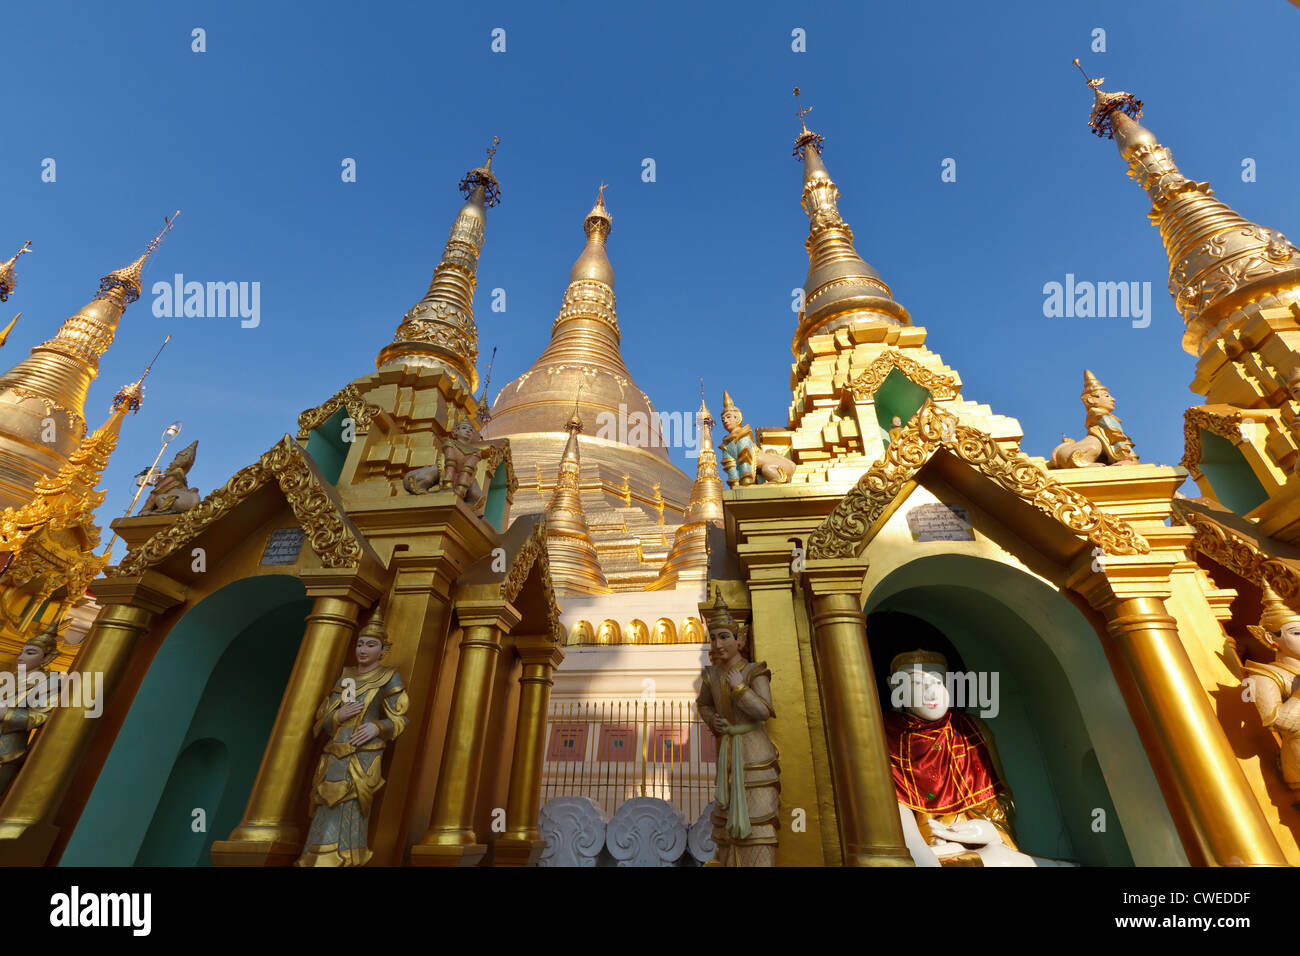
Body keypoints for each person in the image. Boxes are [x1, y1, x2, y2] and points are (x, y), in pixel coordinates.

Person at [296, 608, 408, 867]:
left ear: (383, 650)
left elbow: (401, 718)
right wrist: (337, 716)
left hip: (364, 756)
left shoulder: (389, 676)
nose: (363, 649)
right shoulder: (346, 676)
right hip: (333, 753)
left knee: (353, 809)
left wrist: (377, 727)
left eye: (371, 644)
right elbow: (322, 721)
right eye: (360, 644)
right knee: (324, 805)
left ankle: (349, 860)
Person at [695, 588, 779, 866]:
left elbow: (763, 712)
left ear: (739, 640)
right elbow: (703, 705)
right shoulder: (711, 676)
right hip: (729, 757)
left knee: (760, 826)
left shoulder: (755, 671)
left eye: (724, 636)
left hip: (756, 757)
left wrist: (740, 688)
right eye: (714, 637)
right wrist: (712, 720)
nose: (718, 644)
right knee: (727, 832)